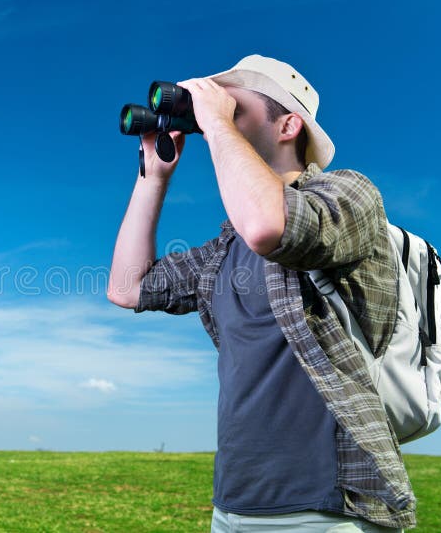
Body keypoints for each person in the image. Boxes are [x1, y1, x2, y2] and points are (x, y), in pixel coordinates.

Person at [106, 55, 416, 532]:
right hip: (235, 504)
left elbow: (271, 226)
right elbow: (128, 288)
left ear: (288, 125)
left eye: (234, 105)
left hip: (329, 507)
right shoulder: (222, 251)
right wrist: (153, 178)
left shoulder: (350, 195)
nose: (218, 115)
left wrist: (213, 119)